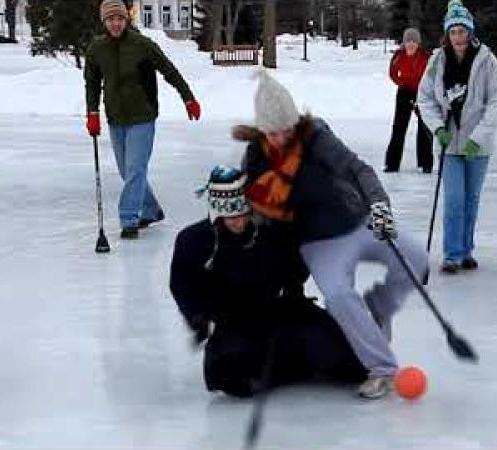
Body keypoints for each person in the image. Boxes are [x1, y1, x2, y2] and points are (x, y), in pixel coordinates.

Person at [237, 72, 428, 399]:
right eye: (273, 132)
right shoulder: (256, 157)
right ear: (262, 130)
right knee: (339, 296)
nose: (281, 137)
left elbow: (358, 169)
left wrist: (379, 206)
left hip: (358, 220)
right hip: (319, 242)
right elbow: (254, 209)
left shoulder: (316, 136)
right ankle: (382, 368)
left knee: (416, 259)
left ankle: (378, 305)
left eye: (287, 129)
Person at [170, 166, 366, 397]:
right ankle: (286, 368)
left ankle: (295, 363)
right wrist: (198, 318)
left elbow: (299, 258)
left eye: (242, 214)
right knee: (227, 374)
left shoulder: (274, 228)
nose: (237, 222)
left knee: (351, 360)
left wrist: (292, 287)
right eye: (229, 217)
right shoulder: (194, 240)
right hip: (234, 320)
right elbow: (183, 285)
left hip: (282, 310)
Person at [84, 0, 201, 239]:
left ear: (126, 19)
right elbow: (92, 84)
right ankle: (150, 210)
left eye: (120, 18)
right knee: (127, 172)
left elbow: (169, 71)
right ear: (104, 21)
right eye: (111, 19)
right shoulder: (97, 49)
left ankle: (129, 218)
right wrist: (92, 113)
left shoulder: (142, 45)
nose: (116, 24)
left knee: (135, 168)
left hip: (142, 116)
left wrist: (188, 98)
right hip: (116, 118)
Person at [417, 0, 497, 274]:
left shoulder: (487, 61)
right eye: (453, 31)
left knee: (470, 199)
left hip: (477, 145)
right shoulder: (437, 60)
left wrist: (477, 138)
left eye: (462, 31)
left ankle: (466, 250)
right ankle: (452, 254)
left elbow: (496, 103)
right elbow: (425, 97)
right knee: (454, 199)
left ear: (470, 31)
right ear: (447, 34)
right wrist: (437, 128)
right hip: (449, 143)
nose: (458, 37)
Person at [384, 28, 433, 174]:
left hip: (422, 93)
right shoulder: (398, 56)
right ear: (404, 43)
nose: (411, 44)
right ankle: (392, 164)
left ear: (418, 43)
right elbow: (392, 72)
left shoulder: (425, 56)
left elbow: (432, 74)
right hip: (404, 92)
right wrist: (401, 83)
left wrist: (425, 87)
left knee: (424, 127)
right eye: (408, 41)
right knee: (399, 127)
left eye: (414, 41)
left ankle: (425, 163)